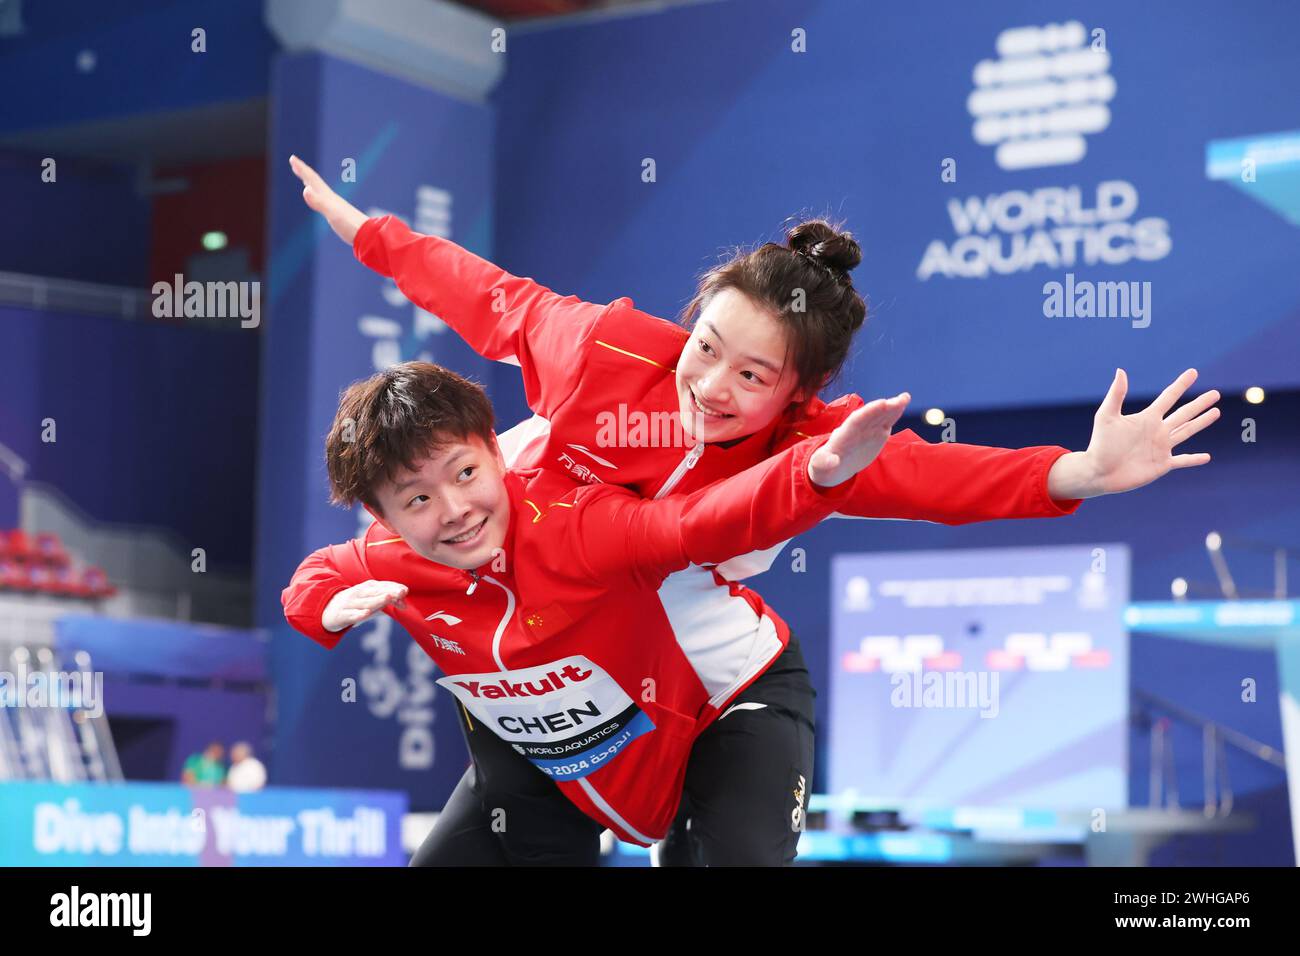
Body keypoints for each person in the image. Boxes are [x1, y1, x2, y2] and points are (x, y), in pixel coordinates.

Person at [288, 155, 1221, 864]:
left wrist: (1079, 472)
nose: (711, 385)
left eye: (752, 376)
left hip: (719, 684)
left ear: (798, 395)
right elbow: (486, 295)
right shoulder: (602, 350)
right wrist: (367, 232)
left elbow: (938, 482)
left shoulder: (810, 450)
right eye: (705, 345)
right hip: (569, 654)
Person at [283, 361, 907, 860]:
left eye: (466, 472)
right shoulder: (386, 557)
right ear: (384, 519)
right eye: (417, 499)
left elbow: (698, 522)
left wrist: (814, 476)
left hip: (727, 697)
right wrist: (328, 608)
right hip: (575, 755)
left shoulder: (578, 520)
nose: (454, 508)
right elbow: (312, 579)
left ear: (497, 455)